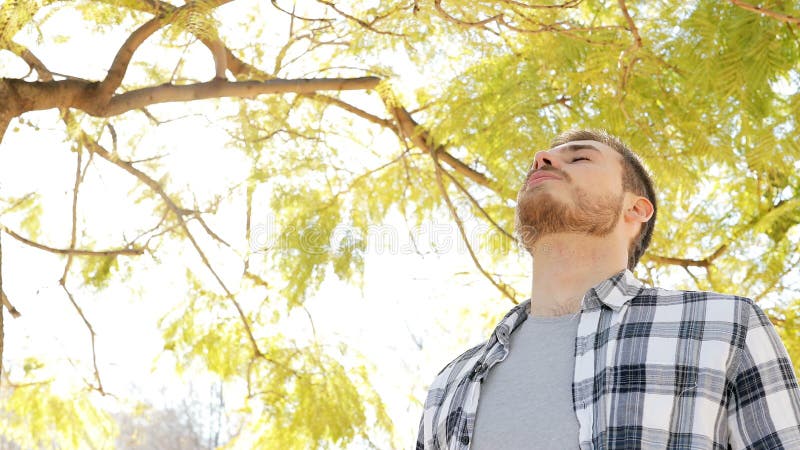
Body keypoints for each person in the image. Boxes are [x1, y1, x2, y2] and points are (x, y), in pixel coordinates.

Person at [416, 129, 800, 449]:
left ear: (635, 210)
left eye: (579, 158)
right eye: (540, 160)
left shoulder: (726, 326)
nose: (541, 159)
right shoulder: (451, 383)